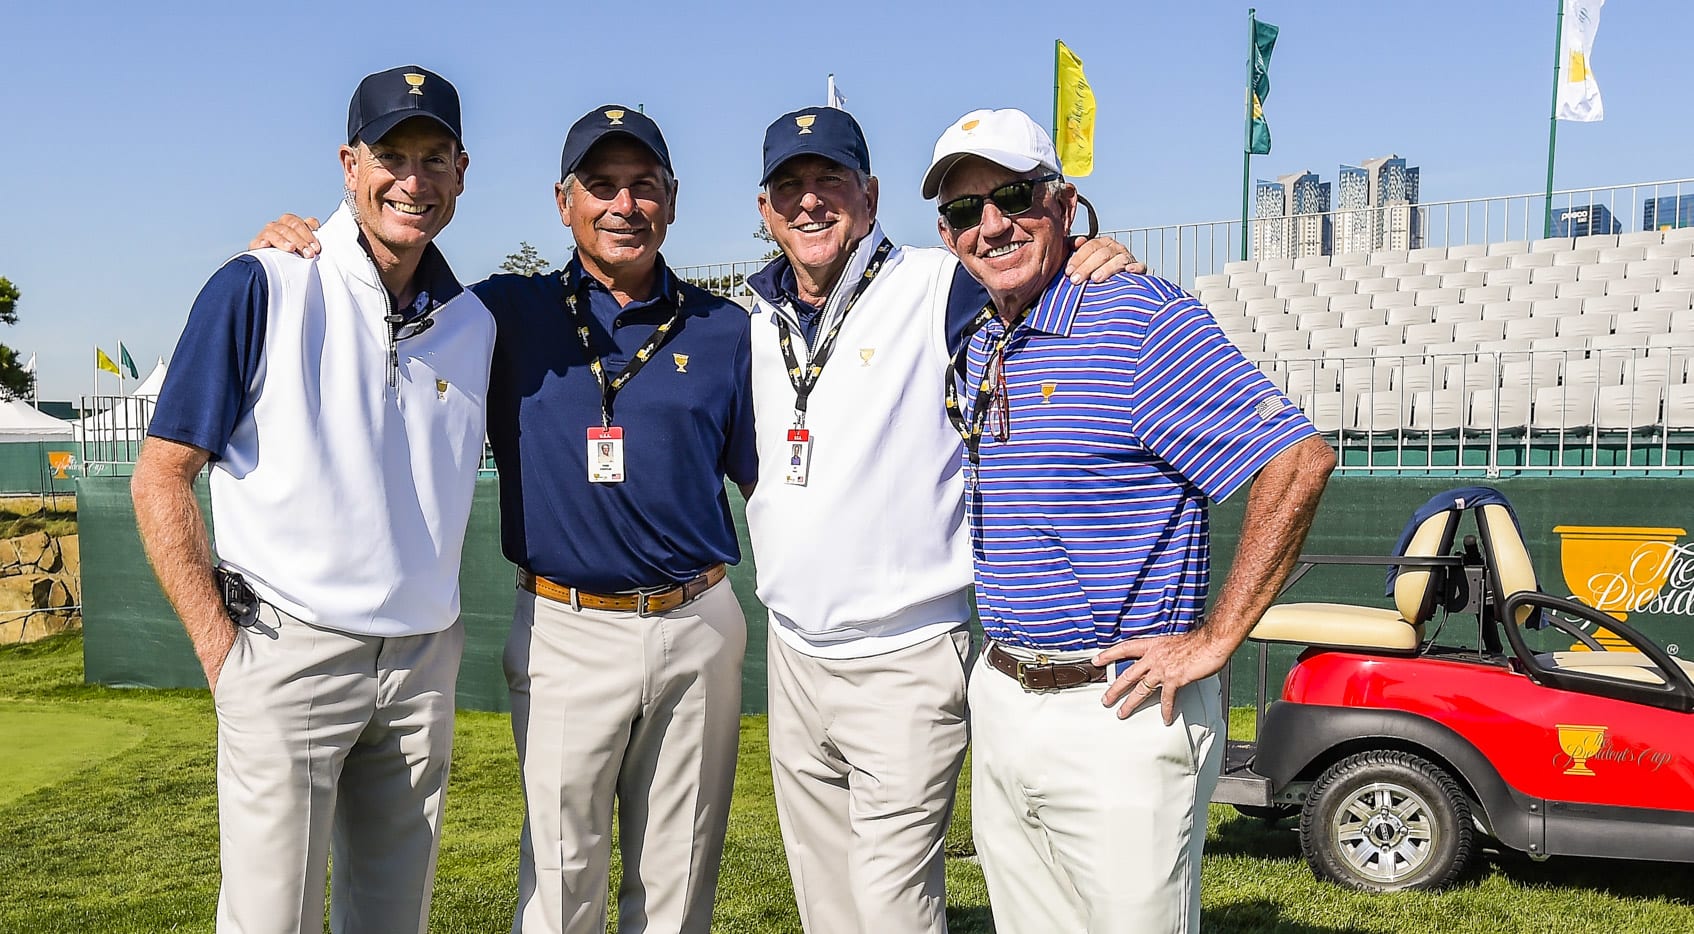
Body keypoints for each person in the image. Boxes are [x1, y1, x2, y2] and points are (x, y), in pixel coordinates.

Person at [925, 108, 1335, 933]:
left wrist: (1217, 639)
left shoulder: (1140, 316)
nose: (992, 225)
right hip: (1005, 697)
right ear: (947, 233)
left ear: (1064, 206)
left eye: (1012, 198)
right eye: (967, 210)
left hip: (1119, 709)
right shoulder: (978, 340)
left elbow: (1298, 459)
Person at [744, 106, 1137, 934]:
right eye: (790, 187)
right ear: (764, 209)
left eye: (830, 183)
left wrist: (1093, 252)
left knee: (891, 906)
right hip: (793, 652)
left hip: (903, 657)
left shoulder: (934, 280)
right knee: (826, 905)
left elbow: (1028, 271)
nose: (809, 203)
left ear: (871, 195)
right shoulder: (750, 315)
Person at [132, 65, 491, 934]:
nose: (412, 179)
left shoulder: (476, 322)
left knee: (391, 918)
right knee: (269, 920)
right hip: (286, 650)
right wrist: (224, 656)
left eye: (433, 157)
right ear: (347, 163)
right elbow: (161, 474)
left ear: (461, 172)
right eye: (390, 155)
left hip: (419, 663)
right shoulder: (263, 282)